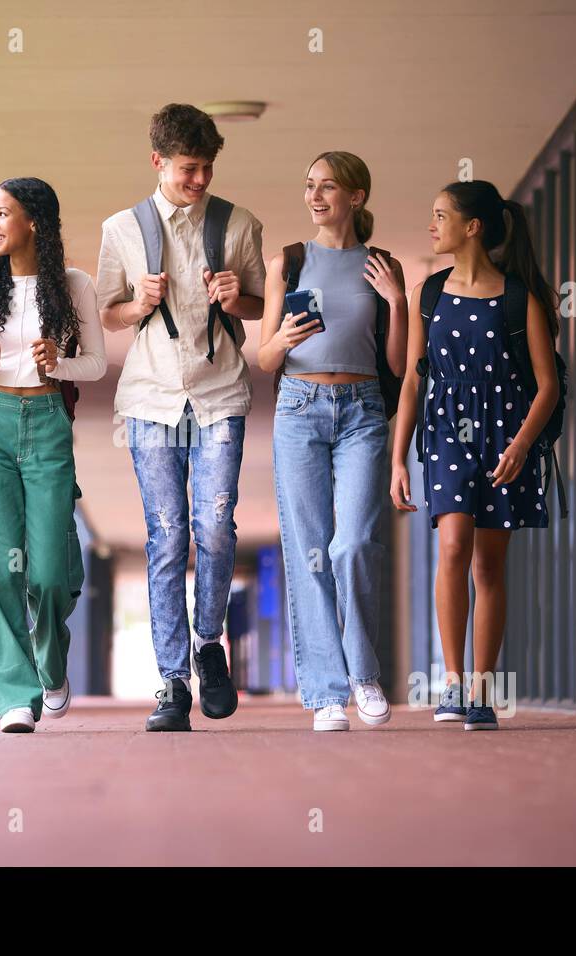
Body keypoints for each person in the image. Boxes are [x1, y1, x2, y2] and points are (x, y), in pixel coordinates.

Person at [96, 103, 265, 732]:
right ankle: (171, 682)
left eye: (207, 169)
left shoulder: (239, 223)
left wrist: (236, 298)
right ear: (158, 161)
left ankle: (208, 643)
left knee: (215, 527)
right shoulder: (121, 229)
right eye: (189, 169)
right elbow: (107, 315)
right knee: (166, 537)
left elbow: (259, 304)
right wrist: (136, 302)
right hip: (149, 399)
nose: (200, 180)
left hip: (220, 392)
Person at [390, 180, 560, 730]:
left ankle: (483, 694)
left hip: (507, 438)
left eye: (440, 215)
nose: (431, 225)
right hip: (446, 436)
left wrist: (522, 446)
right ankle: (454, 683)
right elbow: (414, 382)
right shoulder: (430, 293)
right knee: (454, 546)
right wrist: (398, 458)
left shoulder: (519, 298)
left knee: (489, 564)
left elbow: (547, 385)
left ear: (473, 227)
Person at [256, 151, 407, 731]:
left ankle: (364, 673)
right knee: (310, 550)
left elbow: (396, 364)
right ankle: (325, 693)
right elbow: (267, 355)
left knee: (355, 544)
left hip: (364, 411)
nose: (314, 196)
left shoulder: (383, 265)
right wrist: (286, 336)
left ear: (357, 196)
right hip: (298, 407)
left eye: (327, 187)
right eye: (309, 186)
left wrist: (396, 301)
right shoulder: (288, 262)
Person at [0, 177, 107, 733]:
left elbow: (95, 363)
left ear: (33, 221)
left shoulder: (72, 285)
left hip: (46, 424)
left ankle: (50, 658)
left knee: (45, 573)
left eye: (3, 213)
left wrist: (57, 363)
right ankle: (16, 697)